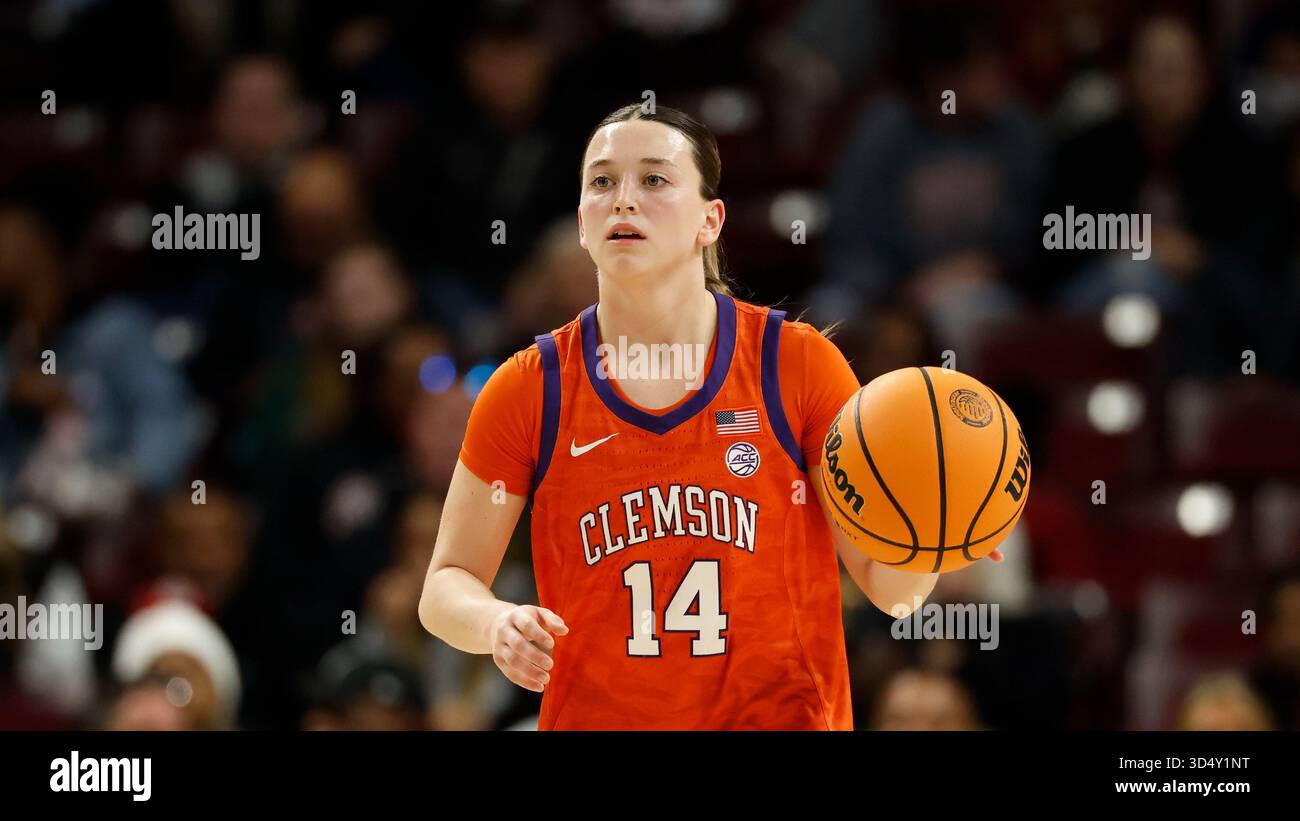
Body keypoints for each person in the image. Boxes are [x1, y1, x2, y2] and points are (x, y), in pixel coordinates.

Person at [418, 103, 1004, 730]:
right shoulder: (528, 388)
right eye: (602, 181)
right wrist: (495, 622)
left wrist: (936, 524)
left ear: (710, 220)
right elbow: (445, 586)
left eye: (653, 179)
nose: (623, 199)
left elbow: (892, 593)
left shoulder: (797, 365)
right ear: (583, 225)